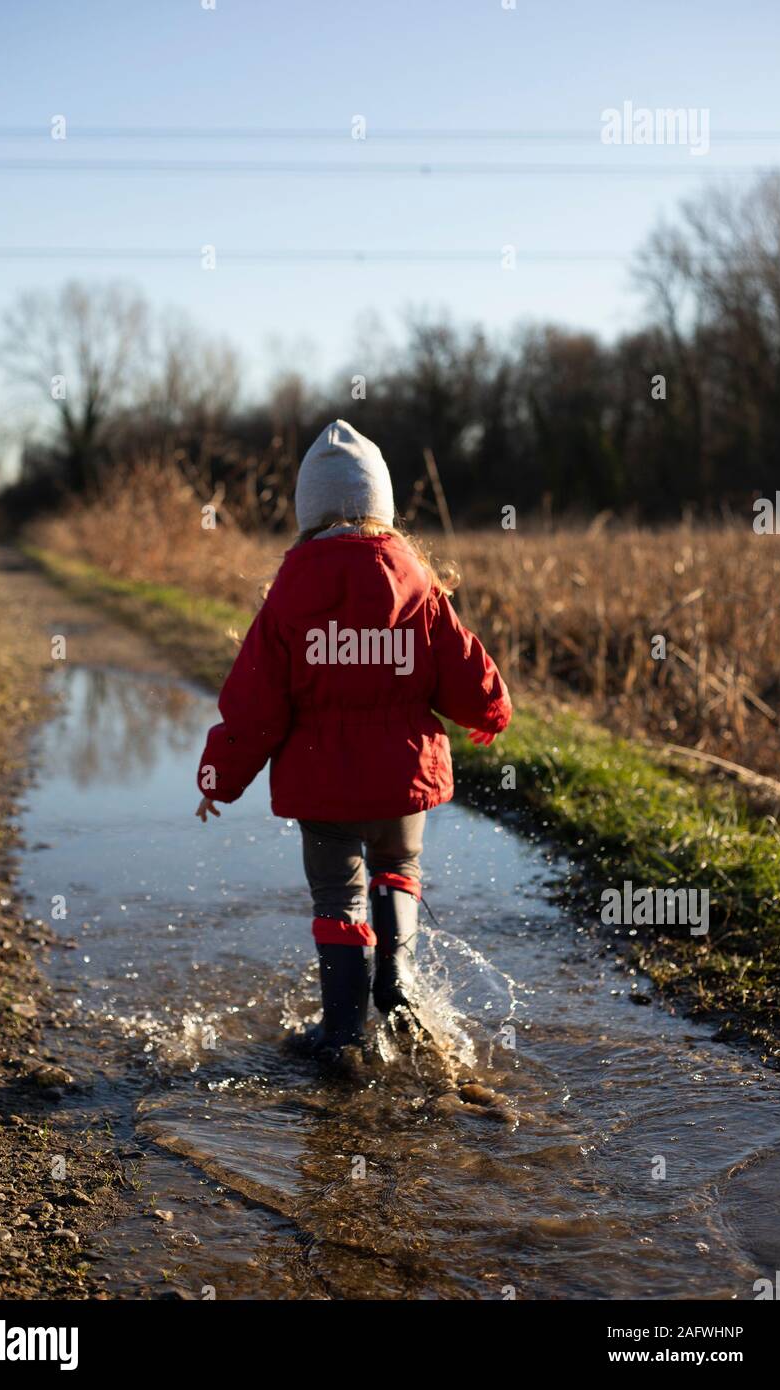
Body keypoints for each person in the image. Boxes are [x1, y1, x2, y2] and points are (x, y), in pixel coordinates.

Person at [197, 420, 511, 1058]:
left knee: (338, 897)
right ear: (383, 510)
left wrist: (218, 778)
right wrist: (490, 710)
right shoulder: (417, 584)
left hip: (322, 789)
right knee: (398, 868)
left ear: (308, 514)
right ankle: (397, 983)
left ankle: (341, 1031)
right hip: (402, 781)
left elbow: (254, 707)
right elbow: (462, 667)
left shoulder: (288, 596)